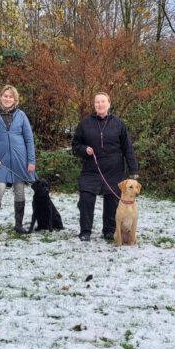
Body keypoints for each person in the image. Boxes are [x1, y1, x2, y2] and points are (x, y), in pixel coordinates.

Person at [72, 92, 138, 241]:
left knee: (111, 201)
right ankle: (85, 231)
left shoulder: (119, 124)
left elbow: (128, 148)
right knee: (86, 199)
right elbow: (75, 145)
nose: (100, 105)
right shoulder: (85, 123)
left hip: (114, 170)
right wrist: (84, 149)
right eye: (97, 102)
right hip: (91, 169)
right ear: (94, 105)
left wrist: (133, 169)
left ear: (109, 104)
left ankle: (109, 230)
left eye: (103, 102)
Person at [0, 85, 36, 238]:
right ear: (0, 97)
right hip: (0, 161)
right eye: (5, 96)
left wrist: (31, 161)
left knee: (19, 191)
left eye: (10, 96)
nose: (7, 99)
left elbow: (29, 139)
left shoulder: (21, 115)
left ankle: (18, 226)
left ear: (15, 99)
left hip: (20, 159)